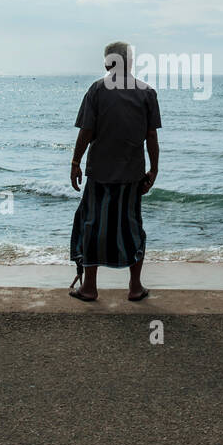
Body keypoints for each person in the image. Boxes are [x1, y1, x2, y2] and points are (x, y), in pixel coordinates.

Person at [68, 41, 161, 303]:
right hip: (132, 175)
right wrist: (154, 169)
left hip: (99, 173)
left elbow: (86, 132)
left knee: (92, 226)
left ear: (108, 62)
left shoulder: (97, 90)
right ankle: (134, 287)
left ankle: (89, 287)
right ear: (131, 62)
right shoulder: (146, 93)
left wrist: (76, 162)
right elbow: (151, 136)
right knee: (132, 227)